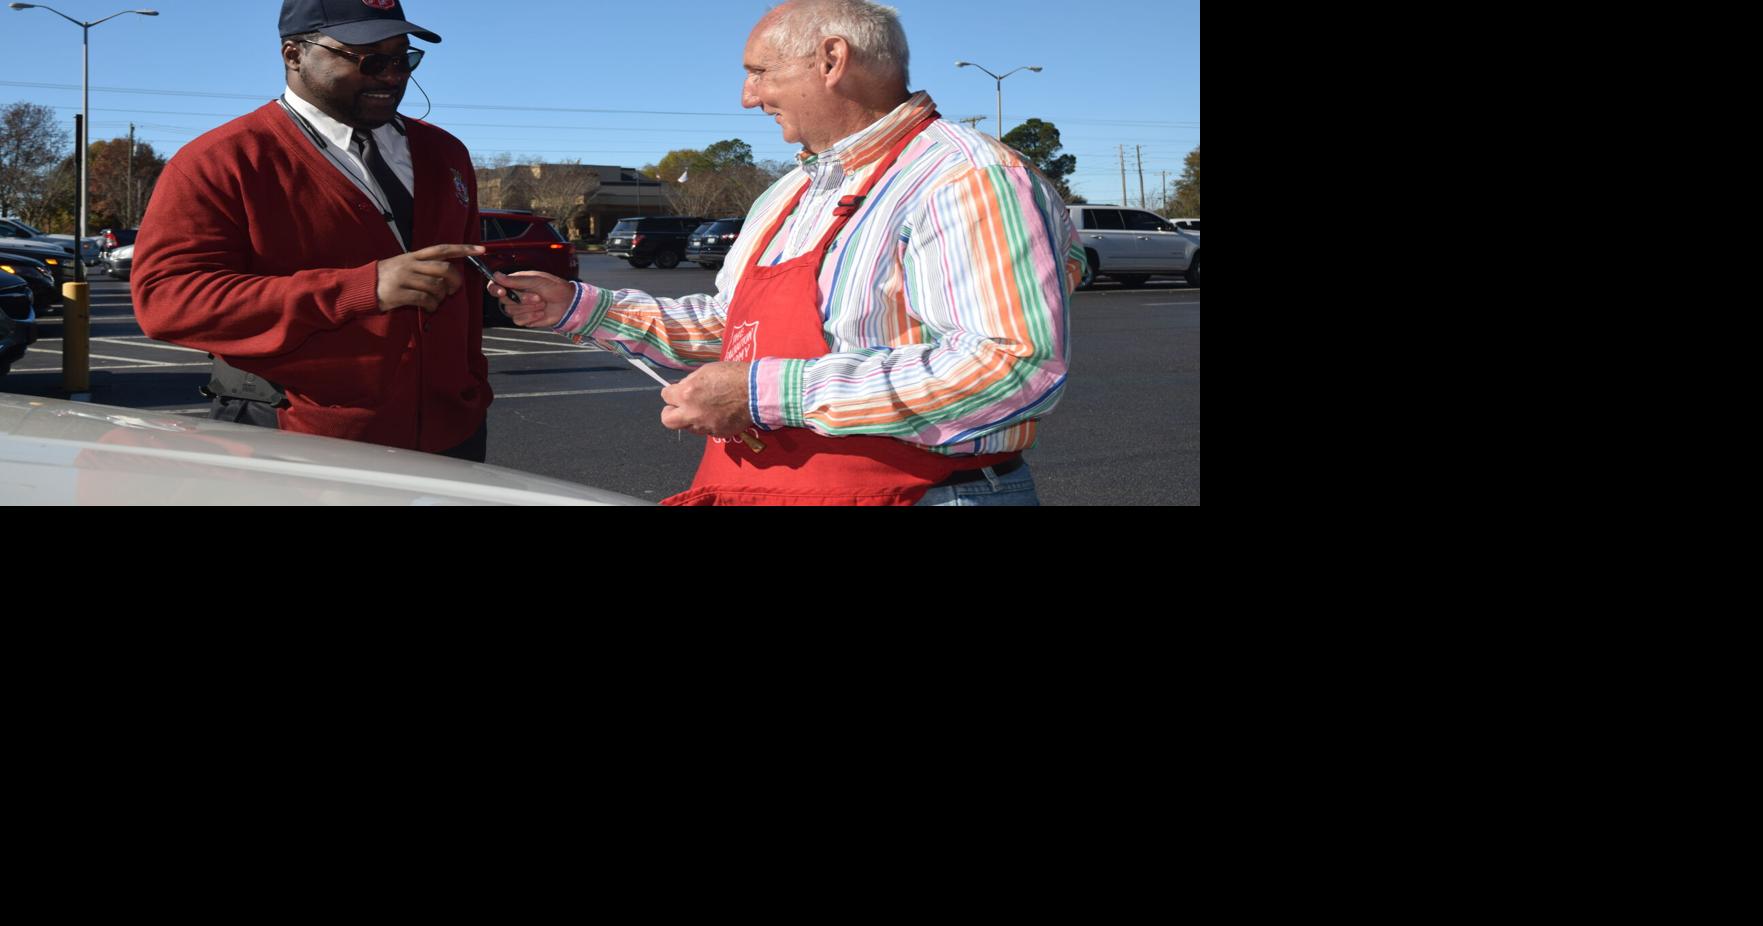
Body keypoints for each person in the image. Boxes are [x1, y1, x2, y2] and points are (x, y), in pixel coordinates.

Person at [493, 0, 1081, 505]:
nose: (748, 97)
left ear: (831, 60)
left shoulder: (966, 177)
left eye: (759, 72)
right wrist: (582, 307)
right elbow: (735, 329)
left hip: (927, 493)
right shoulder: (791, 191)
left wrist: (760, 394)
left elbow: (1012, 367)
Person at [133, 0, 490, 460]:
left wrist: (471, 384)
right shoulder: (220, 161)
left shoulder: (446, 153)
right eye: (370, 60)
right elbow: (167, 301)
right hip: (297, 440)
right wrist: (361, 288)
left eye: (403, 59)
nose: (392, 76)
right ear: (294, 54)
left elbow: (466, 283)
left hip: (453, 435)